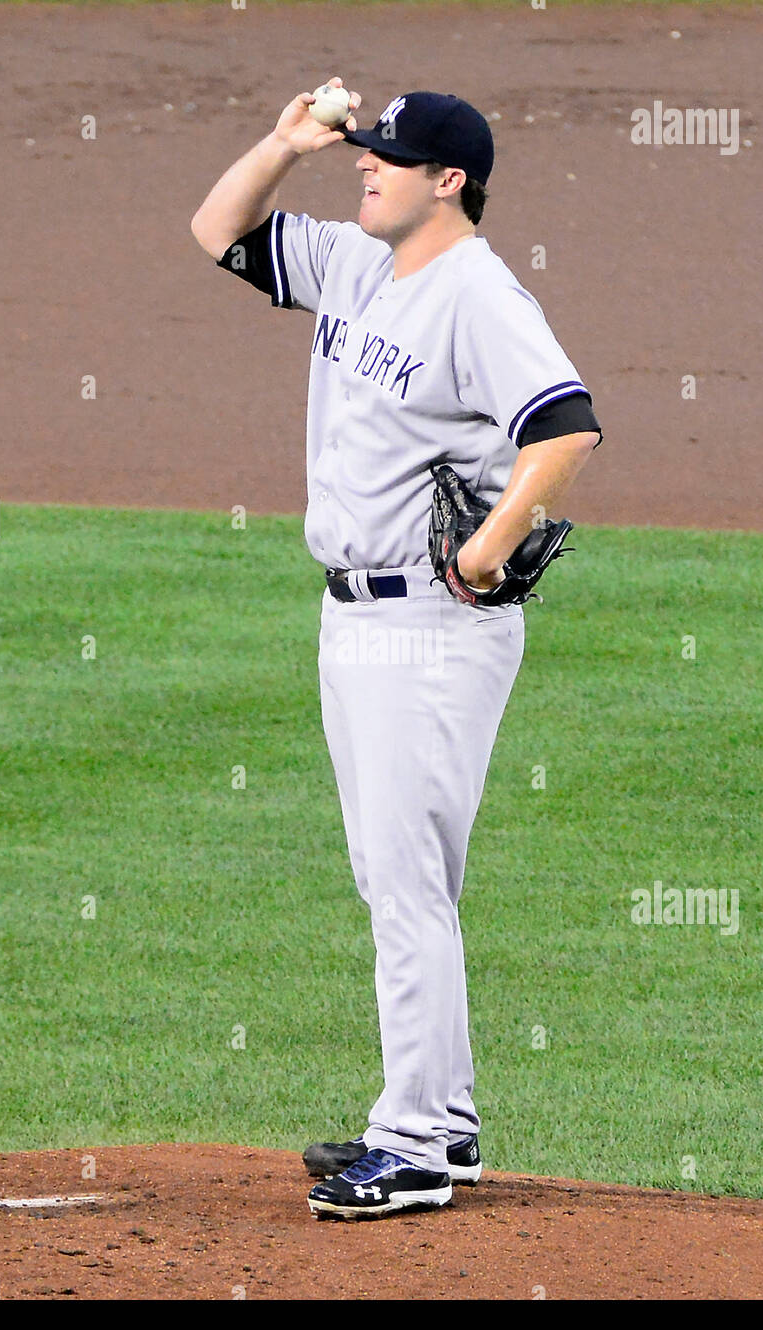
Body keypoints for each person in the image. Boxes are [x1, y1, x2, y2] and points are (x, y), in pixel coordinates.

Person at [191, 80, 602, 1220]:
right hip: (351, 616)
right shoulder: (357, 262)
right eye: (364, 153)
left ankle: (413, 1142)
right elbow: (217, 233)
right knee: (396, 877)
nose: (363, 168)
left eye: (385, 159)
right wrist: (281, 144)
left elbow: (566, 426)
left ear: (448, 180)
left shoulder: (478, 295)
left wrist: (490, 543)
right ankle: (448, 1119)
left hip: (428, 627)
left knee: (407, 882)